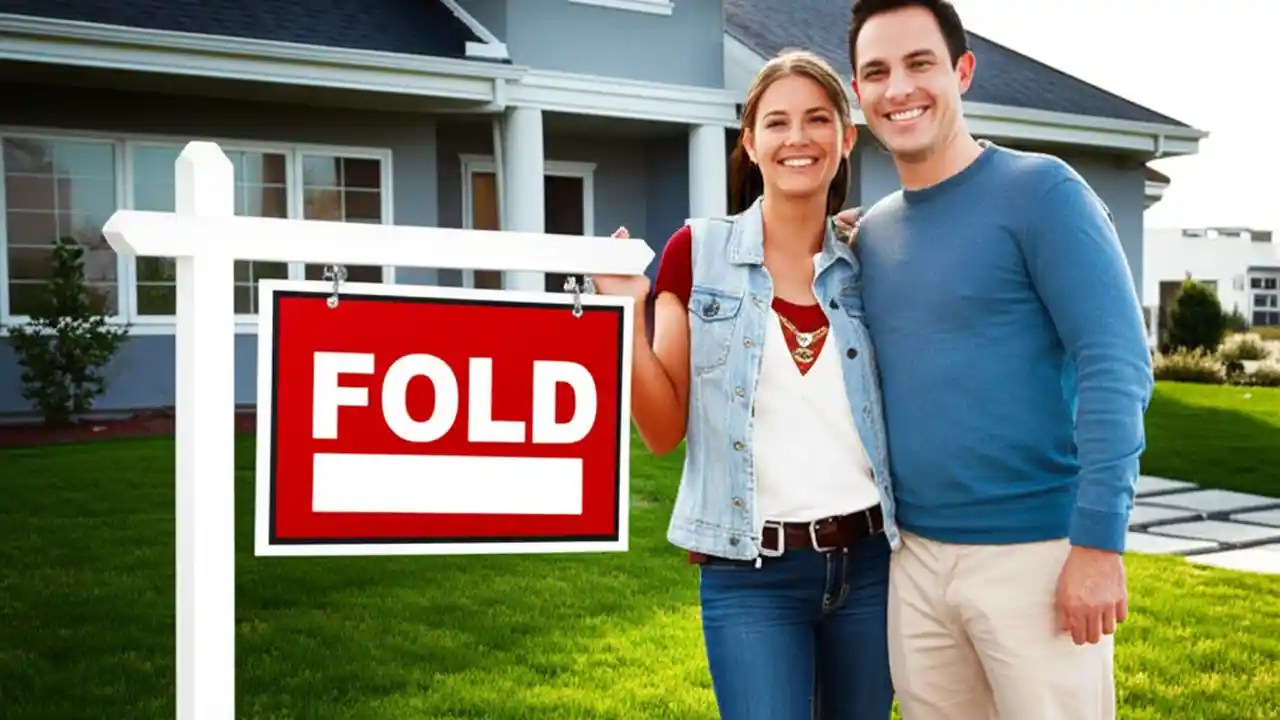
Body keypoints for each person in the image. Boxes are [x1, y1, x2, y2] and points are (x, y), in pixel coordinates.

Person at [836, 1, 1154, 718]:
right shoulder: (873, 235)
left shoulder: (1042, 193)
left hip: (1038, 556)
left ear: (963, 72)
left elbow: (1116, 364)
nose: (898, 89)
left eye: (920, 64)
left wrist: (1099, 544)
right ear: (859, 93)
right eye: (877, 72)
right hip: (914, 561)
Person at [592, 49, 899, 719]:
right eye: (777, 122)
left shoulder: (873, 259)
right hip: (750, 575)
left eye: (817, 119)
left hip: (873, 567)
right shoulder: (696, 253)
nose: (798, 138)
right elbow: (662, 430)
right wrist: (627, 312)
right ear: (751, 142)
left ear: (846, 138)